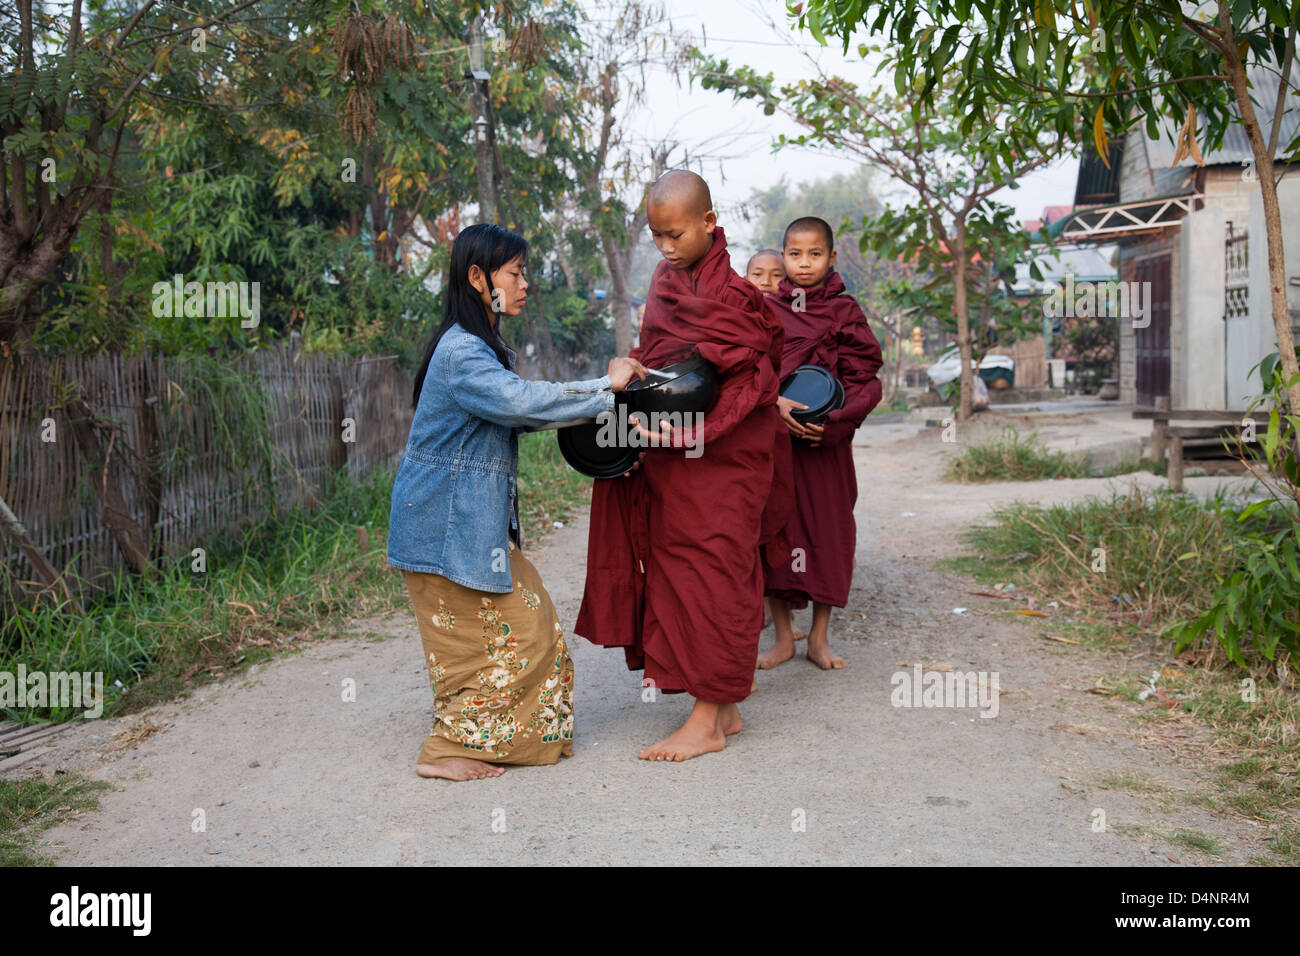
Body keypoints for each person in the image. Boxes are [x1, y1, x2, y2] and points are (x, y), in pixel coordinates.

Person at [387, 223, 646, 781]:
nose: (526, 283)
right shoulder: (462, 352)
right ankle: (447, 750)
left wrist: (599, 398)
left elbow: (520, 411)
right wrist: (606, 387)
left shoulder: (482, 345)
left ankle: (477, 739)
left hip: (469, 525)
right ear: (478, 277)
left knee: (524, 630)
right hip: (443, 525)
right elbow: (523, 402)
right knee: (490, 638)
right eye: (516, 272)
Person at [576, 169, 792, 762]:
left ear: (708, 221)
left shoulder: (739, 298)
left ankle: (705, 721)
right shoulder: (665, 286)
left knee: (717, 569)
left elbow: (753, 384)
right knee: (676, 568)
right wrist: (635, 371)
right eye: (657, 236)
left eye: (676, 235)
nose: (667, 248)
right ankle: (724, 706)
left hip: (729, 455)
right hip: (673, 450)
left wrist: (701, 431)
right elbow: (660, 355)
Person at [759, 216, 883, 671]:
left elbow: (865, 377)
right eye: (794, 254)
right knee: (774, 530)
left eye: (814, 254)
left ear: (831, 258)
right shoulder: (768, 310)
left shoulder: (845, 311)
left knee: (829, 534)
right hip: (778, 443)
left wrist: (832, 423)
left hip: (826, 445)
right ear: (783, 256)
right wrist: (772, 404)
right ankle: (781, 638)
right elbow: (753, 371)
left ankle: (818, 636)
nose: (804, 263)